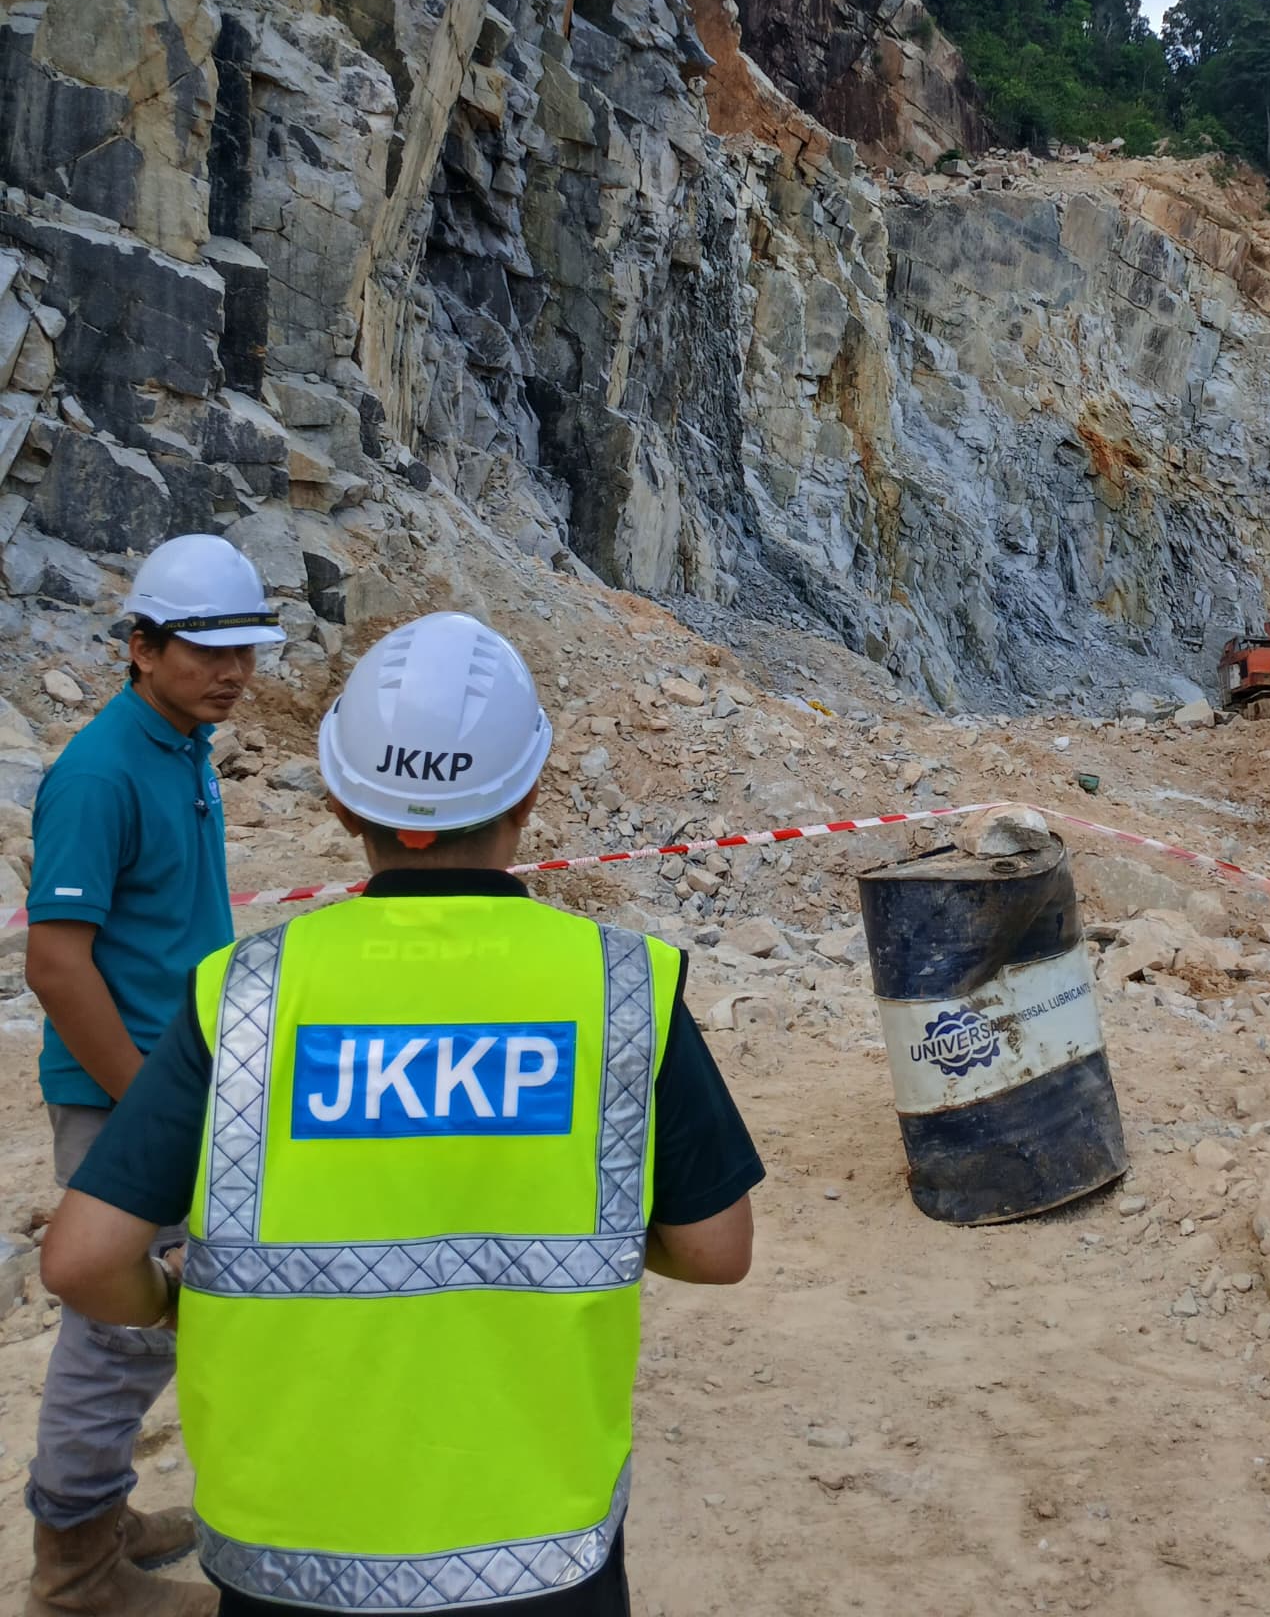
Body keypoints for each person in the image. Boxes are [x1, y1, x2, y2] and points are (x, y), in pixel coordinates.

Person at [39, 610, 763, 1617]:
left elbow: (78, 1260)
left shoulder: (247, 992)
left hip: (287, 1561)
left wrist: (173, 1300)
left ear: (342, 801)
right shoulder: (619, 986)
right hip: (537, 1556)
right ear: (530, 791)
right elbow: (718, 1245)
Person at [25, 535, 287, 1617]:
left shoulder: (181, 747)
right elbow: (54, 959)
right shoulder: (97, 771)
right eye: (205, 649)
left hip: (165, 1082)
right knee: (119, 1325)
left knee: (148, 1319)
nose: (231, 670)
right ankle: (75, 1570)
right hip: (119, 1090)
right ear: (141, 646)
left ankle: (101, 1513)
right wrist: (148, 1099)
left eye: (244, 651)